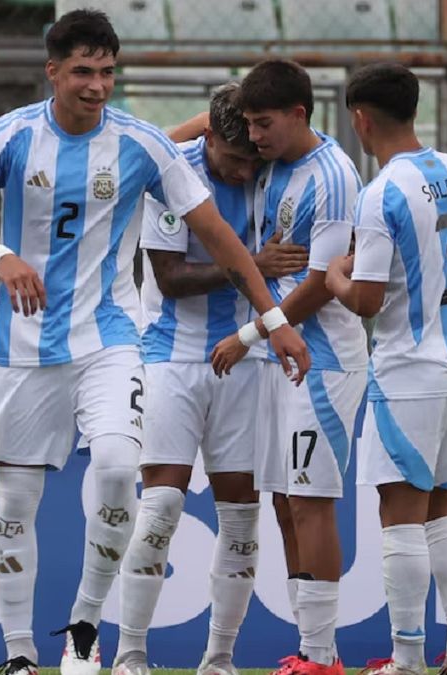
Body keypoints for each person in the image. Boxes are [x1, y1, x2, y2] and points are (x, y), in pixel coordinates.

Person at [0, 11, 309, 675]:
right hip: (25, 347)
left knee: (113, 469)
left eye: (106, 72)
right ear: (53, 71)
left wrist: (275, 321)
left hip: (111, 340)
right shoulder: (11, 135)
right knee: (15, 503)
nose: (97, 85)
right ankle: (18, 655)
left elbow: (218, 235)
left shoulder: (142, 144)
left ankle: (82, 632)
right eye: (83, 72)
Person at [111, 83, 308, 675]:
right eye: (235, 157)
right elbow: (169, 277)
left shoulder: (273, 173)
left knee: (242, 520)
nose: (247, 167)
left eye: (254, 155)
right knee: (162, 507)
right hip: (172, 357)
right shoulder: (177, 174)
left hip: (246, 362)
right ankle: (130, 653)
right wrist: (251, 268)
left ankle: (219, 658)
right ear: (209, 138)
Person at [323, 63, 447, 675]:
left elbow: (365, 301)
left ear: (360, 119)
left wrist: (334, 272)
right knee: (442, 509)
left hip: (409, 371)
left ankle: (408, 657)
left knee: (401, 519)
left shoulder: (380, 192)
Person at [210, 59, 367, 675]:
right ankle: (310, 647)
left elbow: (327, 283)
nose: (254, 136)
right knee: (284, 501)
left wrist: (251, 331)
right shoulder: (273, 163)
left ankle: (321, 656)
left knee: (310, 501)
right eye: (247, 124)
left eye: (264, 122)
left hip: (321, 358)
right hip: (283, 354)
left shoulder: (333, 176)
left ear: (300, 114)